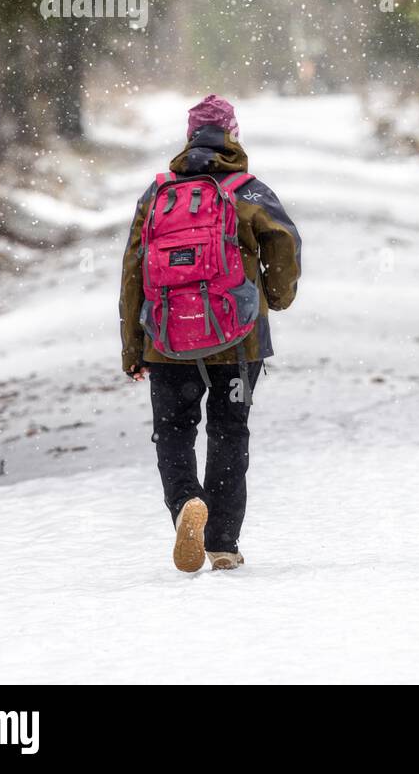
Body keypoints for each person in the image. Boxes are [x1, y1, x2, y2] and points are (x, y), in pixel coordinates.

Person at [119, 95, 301, 573]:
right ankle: (222, 543)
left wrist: (134, 349)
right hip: (238, 341)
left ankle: (185, 504)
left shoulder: (158, 193)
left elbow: (133, 270)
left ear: (188, 138)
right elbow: (284, 241)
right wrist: (276, 298)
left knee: (174, 432)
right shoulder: (249, 191)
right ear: (233, 136)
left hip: (166, 340)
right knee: (229, 431)